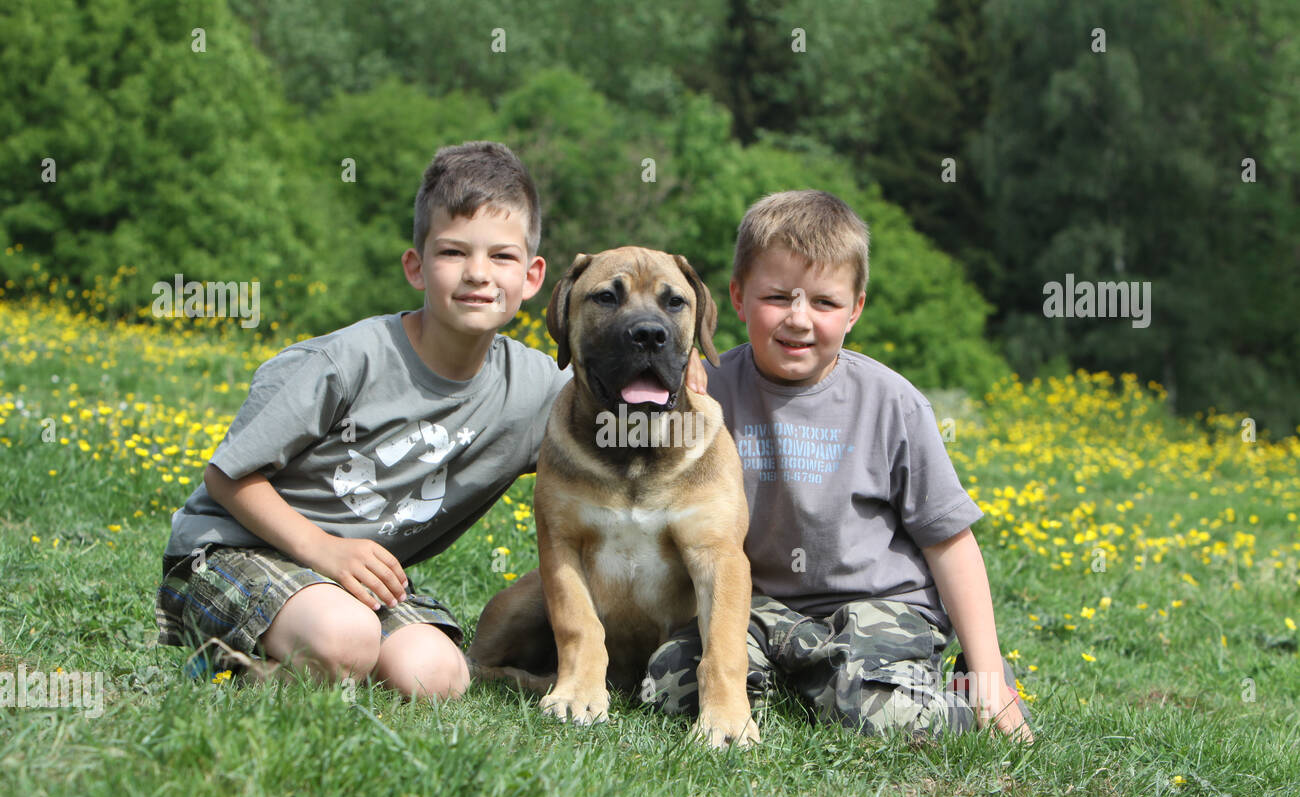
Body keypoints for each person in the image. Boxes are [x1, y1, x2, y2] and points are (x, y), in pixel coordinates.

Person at [154, 141, 566, 702]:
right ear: (416, 267)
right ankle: (244, 652)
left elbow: (618, 413)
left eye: (502, 256)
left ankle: (256, 670)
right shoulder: (345, 362)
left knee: (438, 678)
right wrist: (325, 551)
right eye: (452, 253)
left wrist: (678, 358)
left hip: (352, 584)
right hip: (232, 552)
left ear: (533, 276)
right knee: (344, 639)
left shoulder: (536, 390)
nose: (477, 274)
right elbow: (226, 477)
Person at [643, 190, 1033, 742]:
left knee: (879, 717)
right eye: (777, 297)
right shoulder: (709, 392)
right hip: (754, 608)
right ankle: (813, 681)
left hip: (878, 605)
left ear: (855, 310)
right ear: (736, 297)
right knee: (671, 686)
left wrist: (989, 676)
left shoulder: (891, 403)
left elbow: (950, 542)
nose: (798, 319)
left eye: (824, 303)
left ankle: (950, 695)